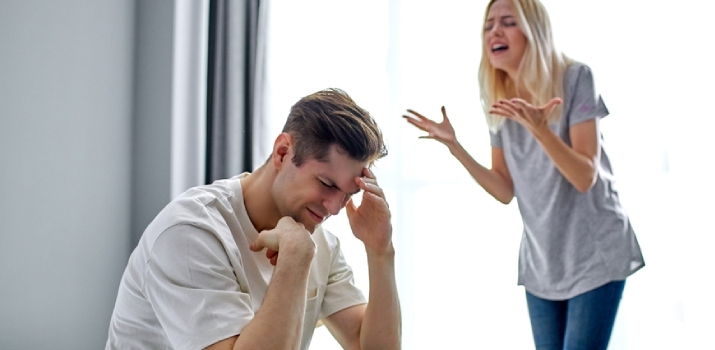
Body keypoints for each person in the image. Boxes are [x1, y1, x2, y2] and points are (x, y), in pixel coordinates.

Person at [403, 0, 644, 349]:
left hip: (595, 254)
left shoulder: (576, 78)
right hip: (542, 261)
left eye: (507, 22)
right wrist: (455, 147)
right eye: (488, 25)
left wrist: (540, 129)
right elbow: (503, 189)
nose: (494, 32)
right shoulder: (499, 97)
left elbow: (585, 177)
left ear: (533, 29)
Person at [107, 88, 401, 350]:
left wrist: (380, 251)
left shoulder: (320, 240)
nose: (335, 208)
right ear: (282, 152)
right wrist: (295, 259)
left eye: (348, 194)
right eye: (326, 184)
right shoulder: (189, 233)